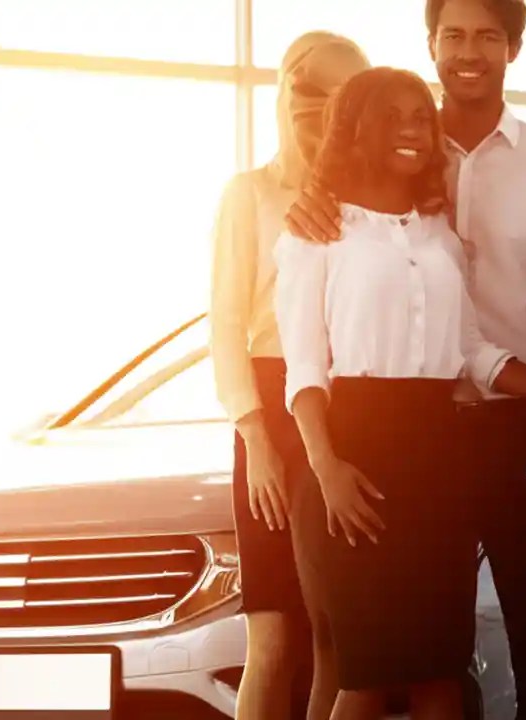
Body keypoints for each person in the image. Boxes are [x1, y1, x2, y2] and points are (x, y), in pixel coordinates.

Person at [286, 2, 526, 718]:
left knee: (482, 657)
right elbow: (304, 366)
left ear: (514, 48)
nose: (469, 50)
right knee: (376, 672)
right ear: (431, 45)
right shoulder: (324, 222)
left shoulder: (512, 191)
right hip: (372, 450)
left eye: (488, 35)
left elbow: (498, 343)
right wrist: (325, 464)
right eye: (453, 34)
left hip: (478, 444)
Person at [209, 31, 369, 720]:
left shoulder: (365, 198)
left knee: (336, 628)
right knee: (273, 635)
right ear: (286, 94)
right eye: (309, 89)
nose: (320, 105)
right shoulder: (248, 194)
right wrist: (256, 440)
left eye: (339, 92)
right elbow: (223, 325)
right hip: (272, 408)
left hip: (349, 408)